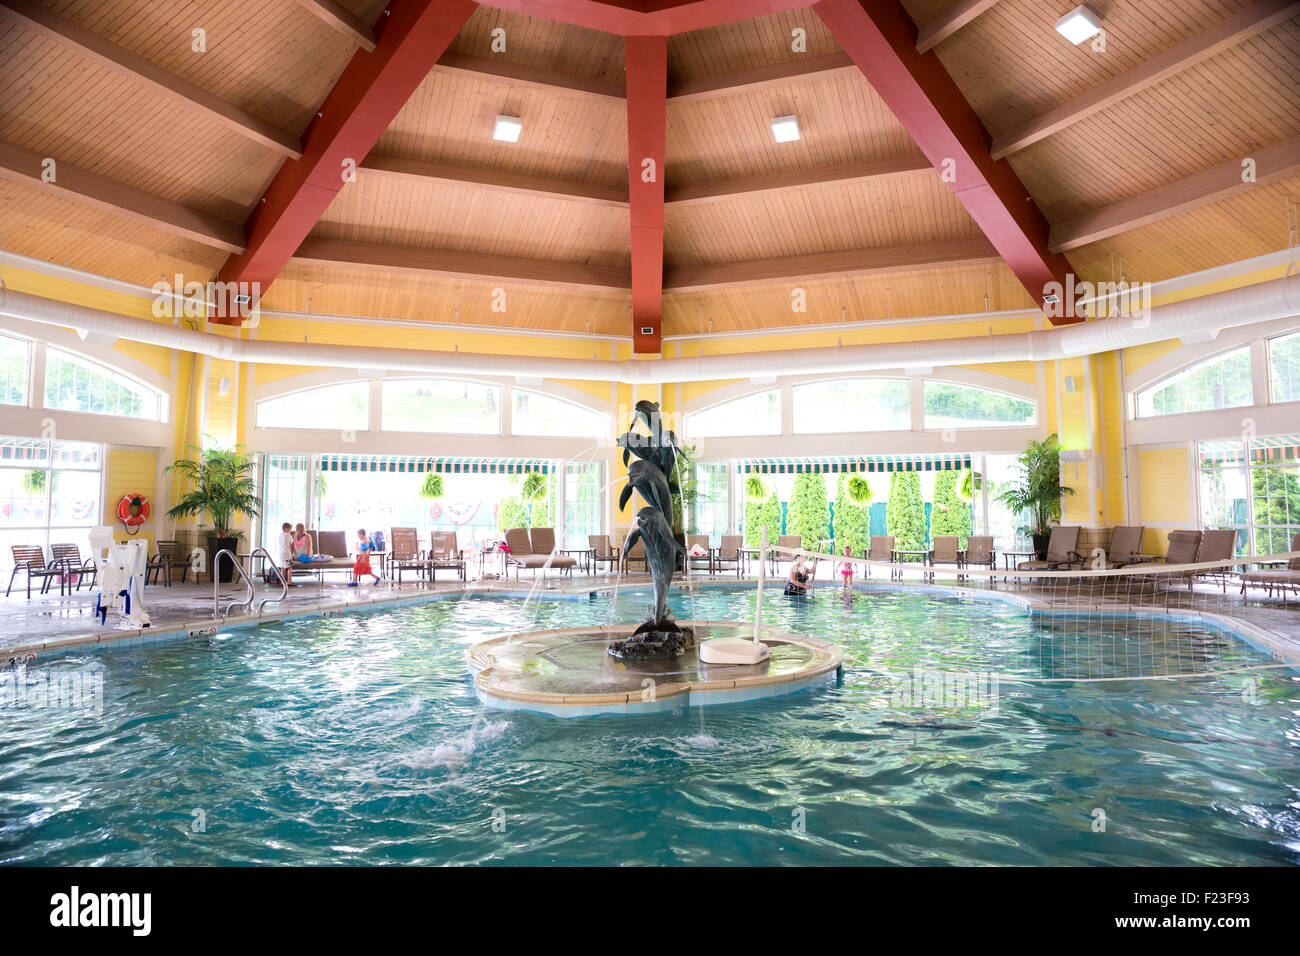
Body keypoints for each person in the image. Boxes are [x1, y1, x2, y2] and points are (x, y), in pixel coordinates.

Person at [276, 522, 294, 587]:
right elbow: (292, 544)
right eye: (290, 529)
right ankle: (289, 582)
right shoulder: (288, 535)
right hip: (287, 553)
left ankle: (282, 582)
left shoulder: (280, 535)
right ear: (286, 528)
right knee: (290, 567)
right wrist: (291, 553)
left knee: (283, 568)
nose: (290, 531)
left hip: (281, 553)